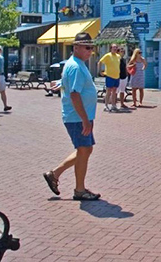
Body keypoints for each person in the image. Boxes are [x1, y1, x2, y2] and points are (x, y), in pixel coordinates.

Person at [43, 32, 101, 201]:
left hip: (80, 116)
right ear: (76, 47)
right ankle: (79, 190)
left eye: (92, 48)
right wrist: (84, 119)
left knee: (86, 149)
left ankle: (55, 174)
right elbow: (75, 94)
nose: (90, 51)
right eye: (87, 47)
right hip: (77, 117)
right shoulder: (76, 66)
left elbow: (72, 86)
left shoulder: (77, 64)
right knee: (83, 150)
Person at [98, 44, 121, 112]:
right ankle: (106, 105)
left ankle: (113, 105)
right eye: (114, 47)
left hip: (117, 76)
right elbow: (100, 62)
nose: (115, 49)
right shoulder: (108, 55)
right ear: (111, 48)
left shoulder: (118, 56)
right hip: (109, 76)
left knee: (114, 91)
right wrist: (100, 71)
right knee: (108, 91)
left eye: (116, 47)